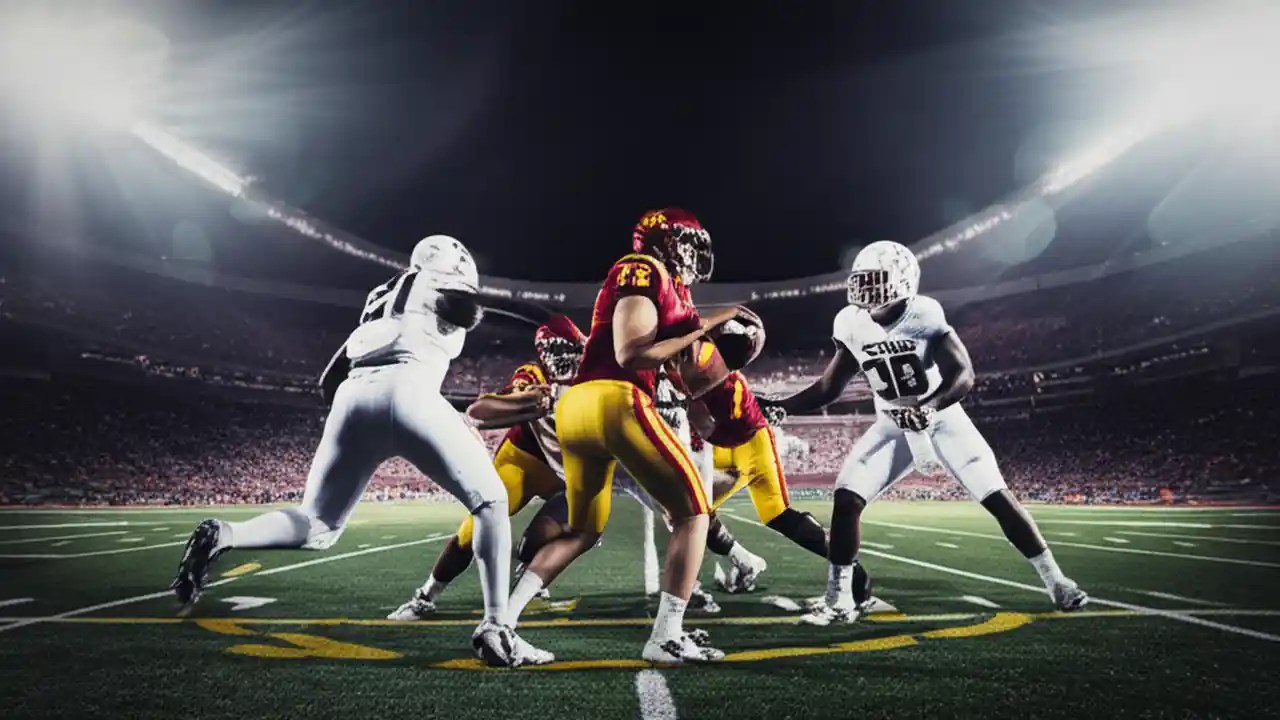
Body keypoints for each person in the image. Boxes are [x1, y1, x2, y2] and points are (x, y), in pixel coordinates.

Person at [168, 236, 549, 667]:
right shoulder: (439, 284)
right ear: (456, 265)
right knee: (492, 500)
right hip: (411, 389)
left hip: (353, 395)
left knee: (318, 525)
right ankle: (498, 629)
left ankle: (227, 534)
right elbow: (467, 310)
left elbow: (328, 380)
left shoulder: (380, 295)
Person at [761, 240, 1088, 625]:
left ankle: (1057, 581)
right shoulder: (850, 322)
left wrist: (930, 407)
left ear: (902, 281)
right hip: (891, 425)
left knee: (996, 496)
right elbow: (829, 387)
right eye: (861, 280)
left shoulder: (925, 313)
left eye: (875, 281)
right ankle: (840, 600)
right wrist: (784, 405)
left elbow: (963, 374)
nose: (865, 290)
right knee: (846, 497)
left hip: (943, 421)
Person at [501, 207, 754, 663]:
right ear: (664, 241)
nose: (696, 253)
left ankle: (501, 625)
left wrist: (729, 356)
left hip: (580, 409)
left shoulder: (677, 293)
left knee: (582, 531)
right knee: (694, 513)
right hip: (612, 398)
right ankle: (667, 636)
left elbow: (688, 379)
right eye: (687, 241)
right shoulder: (642, 267)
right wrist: (709, 326)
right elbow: (631, 352)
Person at [387, 316, 586, 620]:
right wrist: (526, 400)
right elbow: (483, 410)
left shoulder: (597, 377)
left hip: (570, 475)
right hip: (524, 461)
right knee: (471, 531)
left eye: (571, 349)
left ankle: (529, 581)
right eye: (557, 351)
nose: (566, 359)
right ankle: (426, 596)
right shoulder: (533, 374)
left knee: (556, 534)